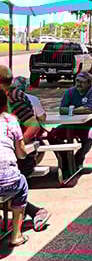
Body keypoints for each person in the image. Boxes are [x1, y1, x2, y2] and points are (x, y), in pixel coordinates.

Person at [0, 67, 50, 230]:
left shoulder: (13, 98)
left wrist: (15, 146)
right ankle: (35, 212)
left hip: (22, 156)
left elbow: (33, 125)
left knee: (6, 186)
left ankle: (36, 212)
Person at [48, 71, 92, 172]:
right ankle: (66, 160)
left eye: (82, 82)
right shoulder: (69, 92)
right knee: (52, 135)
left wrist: (71, 110)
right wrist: (77, 110)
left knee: (90, 137)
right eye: (77, 81)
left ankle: (78, 159)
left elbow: (89, 109)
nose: (78, 84)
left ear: (89, 83)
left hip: (89, 124)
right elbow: (61, 110)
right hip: (70, 125)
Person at [0, 87, 30, 246]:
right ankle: (16, 236)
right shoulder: (10, 120)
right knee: (22, 184)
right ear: (5, 104)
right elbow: (21, 154)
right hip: (9, 181)